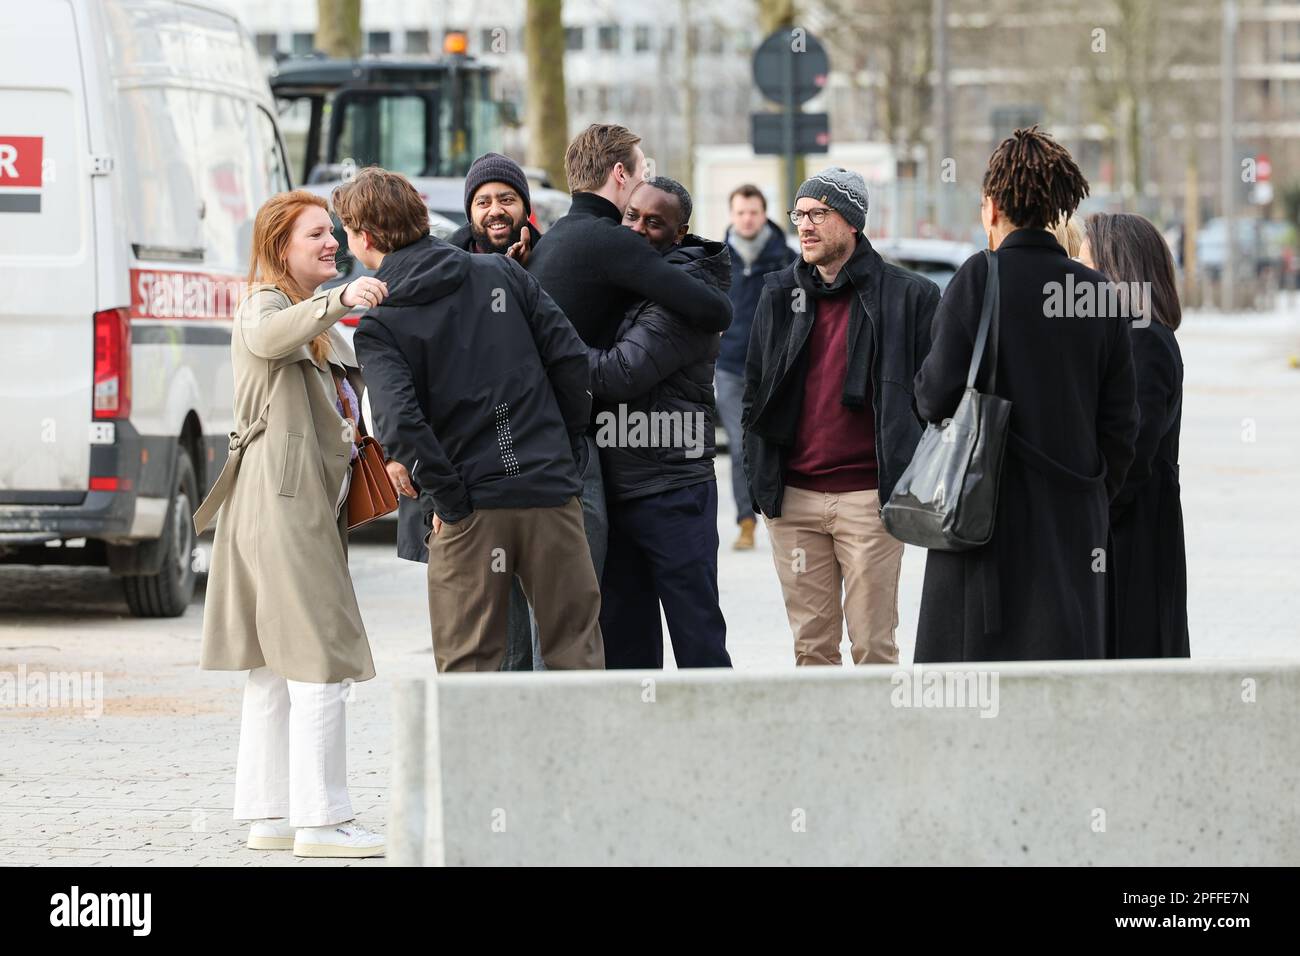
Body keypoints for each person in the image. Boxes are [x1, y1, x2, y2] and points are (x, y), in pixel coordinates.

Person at [341, 167, 603, 672]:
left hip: (471, 507)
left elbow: (401, 425)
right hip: (549, 489)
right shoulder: (501, 274)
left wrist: (450, 500)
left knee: (469, 673)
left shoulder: (380, 321)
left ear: (365, 238)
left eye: (348, 233)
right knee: (580, 658)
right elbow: (571, 361)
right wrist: (565, 452)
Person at [194, 190, 388, 859]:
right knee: (319, 660)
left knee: (277, 666)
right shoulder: (267, 306)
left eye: (332, 233)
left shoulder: (312, 320)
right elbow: (269, 336)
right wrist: (341, 298)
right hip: (284, 508)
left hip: (289, 506)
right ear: (281, 247)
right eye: (316, 236)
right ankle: (322, 822)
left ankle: (271, 815)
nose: (331, 243)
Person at [912, 127, 1139, 663]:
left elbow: (933, 397)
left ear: (991, 208)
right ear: (1057, 210)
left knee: (974, 694)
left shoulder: (977, 280)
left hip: (982, 521)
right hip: (1071, 526)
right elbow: (1122, 424)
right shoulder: (1097, 292)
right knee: (1062, 685)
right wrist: (1090, 491)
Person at [525, 123, 733, 620]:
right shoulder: (612, 242)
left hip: (544, 439)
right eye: (644, 172)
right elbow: (715, 311)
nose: (645, 183)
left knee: (593, 618)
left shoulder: (552, 240)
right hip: (585, 448)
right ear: (621, 173)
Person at [743, 168, 939, 666]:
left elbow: (934, 397)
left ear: (852, 223)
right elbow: (755, 391)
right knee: (812, 650)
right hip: (794, 501)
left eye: (818, 214)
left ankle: (878, 746)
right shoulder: (779, 293)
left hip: (869, 500)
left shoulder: (908, 296)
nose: (804, 225)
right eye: (799, 214)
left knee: (874, 647)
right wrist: (759, 479)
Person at [588, 176, 732, 668]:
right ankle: (643, 744)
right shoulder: (630, 280)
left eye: (654, 222)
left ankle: (715, 741)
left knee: (698, 639)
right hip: (623, 485)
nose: (637, 229)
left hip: (672, 490)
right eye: (631, 215)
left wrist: (553, 341)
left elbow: (620, 373)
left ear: (679, 232)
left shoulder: (686, 295)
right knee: (627, 644)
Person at [431, 151, 542, 673]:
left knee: (549, 613)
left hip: (537, 462)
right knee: (488, 619)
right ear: (470, 212)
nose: (495, 210)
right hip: (470, 462)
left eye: (506, 199)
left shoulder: (548, 262)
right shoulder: (444, 268)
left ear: (524, 206)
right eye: (483, 202)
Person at [1081, 212, 1190, 658]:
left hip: (1133, 535)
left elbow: (1133, 451)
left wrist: (1089, 511)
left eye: (1086, 263)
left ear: (1115, 266)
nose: (1077, 275)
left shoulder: (1144, 339)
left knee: (1132, 653)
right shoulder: (1130, 334)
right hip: (1125, 527)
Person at [719, 184, 797, 550]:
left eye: (753, 212)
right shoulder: (717, 260)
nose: (747, 218)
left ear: (763, 214)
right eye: (740, 212)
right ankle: (746, 520)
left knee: (783, 440)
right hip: (731, 368)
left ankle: (785, 515)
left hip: (777, 368)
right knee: (741, 445)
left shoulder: (788, 258)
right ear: (732, 216)